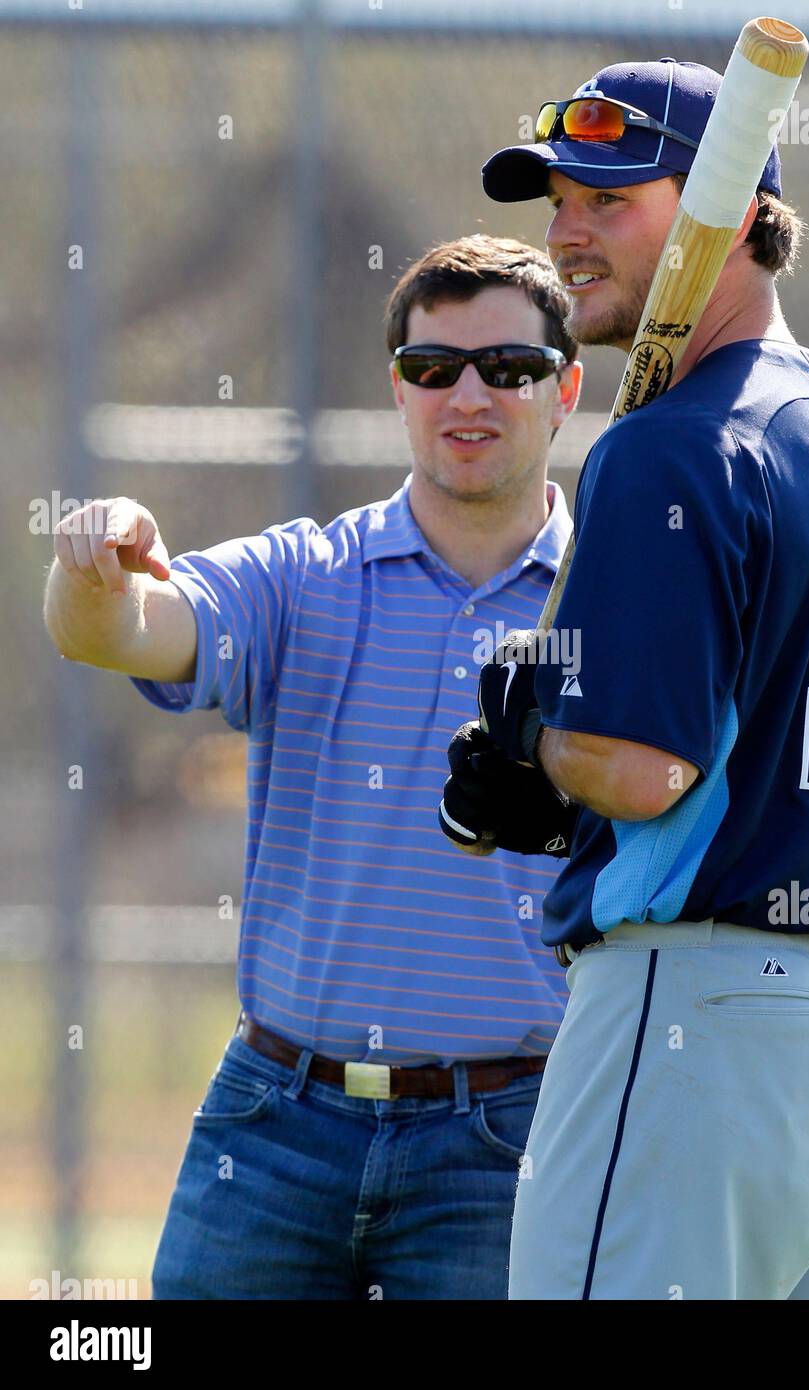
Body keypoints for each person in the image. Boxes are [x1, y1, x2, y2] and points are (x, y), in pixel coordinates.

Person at [440, 59, 809, 1300]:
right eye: (558, 198)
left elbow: (640, 763)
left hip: (700, 1020)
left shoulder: (669, 446)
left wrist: (539, 729)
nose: (565, 230)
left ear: (727, 214)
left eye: (610, 198)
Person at [43, 234, 584, 1300]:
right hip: (274, 1121)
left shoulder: (614, 605)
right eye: (434, 369)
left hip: (507, 1139)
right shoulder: (304, 573)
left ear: (564, 389)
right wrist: (93, 570)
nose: (467, 393)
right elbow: (114, 634)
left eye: (507, 370)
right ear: (399, 390)